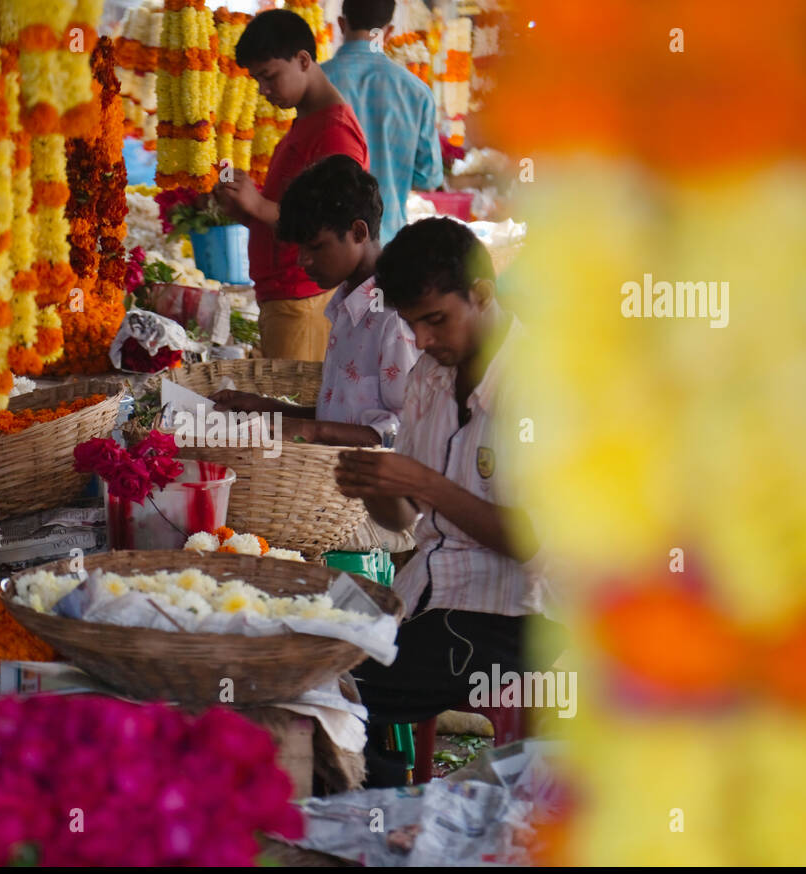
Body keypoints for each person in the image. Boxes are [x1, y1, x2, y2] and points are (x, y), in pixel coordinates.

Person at [333, 217, 555, 786]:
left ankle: (374, 825)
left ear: (481, 294)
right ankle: (383, 808)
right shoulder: (429, 376)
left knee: (340, 687)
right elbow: (405, 521)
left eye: (436, 320)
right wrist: (380, 490)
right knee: (310, 645)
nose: (425, 341)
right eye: (413, 325)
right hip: (428, 596)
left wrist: (425, 484)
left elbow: (533, 541)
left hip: (514, 616)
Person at [211, 155, 420, 452]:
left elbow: (405, 433)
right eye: (299, 247)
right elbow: (341, 417)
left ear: (358, 233)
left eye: (316, 246)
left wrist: (310, 430)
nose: (302, 260)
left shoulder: (392, 316)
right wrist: (267, 408)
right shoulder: (347, 305)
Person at [214, 8, 369, 363]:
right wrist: (244, 210)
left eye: (269, 77)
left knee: (288, 408)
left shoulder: (334, 132)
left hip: (303, 299)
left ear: (302, 60)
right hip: (286, 297)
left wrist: (257, 206)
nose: (264, 90)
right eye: (257, 81)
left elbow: (334, 222)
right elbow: (294, 213)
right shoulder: (307, 121)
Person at [323, 0, 444, 245]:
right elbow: (428, 178)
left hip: (327, 248)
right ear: (388, 32)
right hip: (388, 246)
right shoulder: (416, 91)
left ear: (341, 24)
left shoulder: (316, 82)